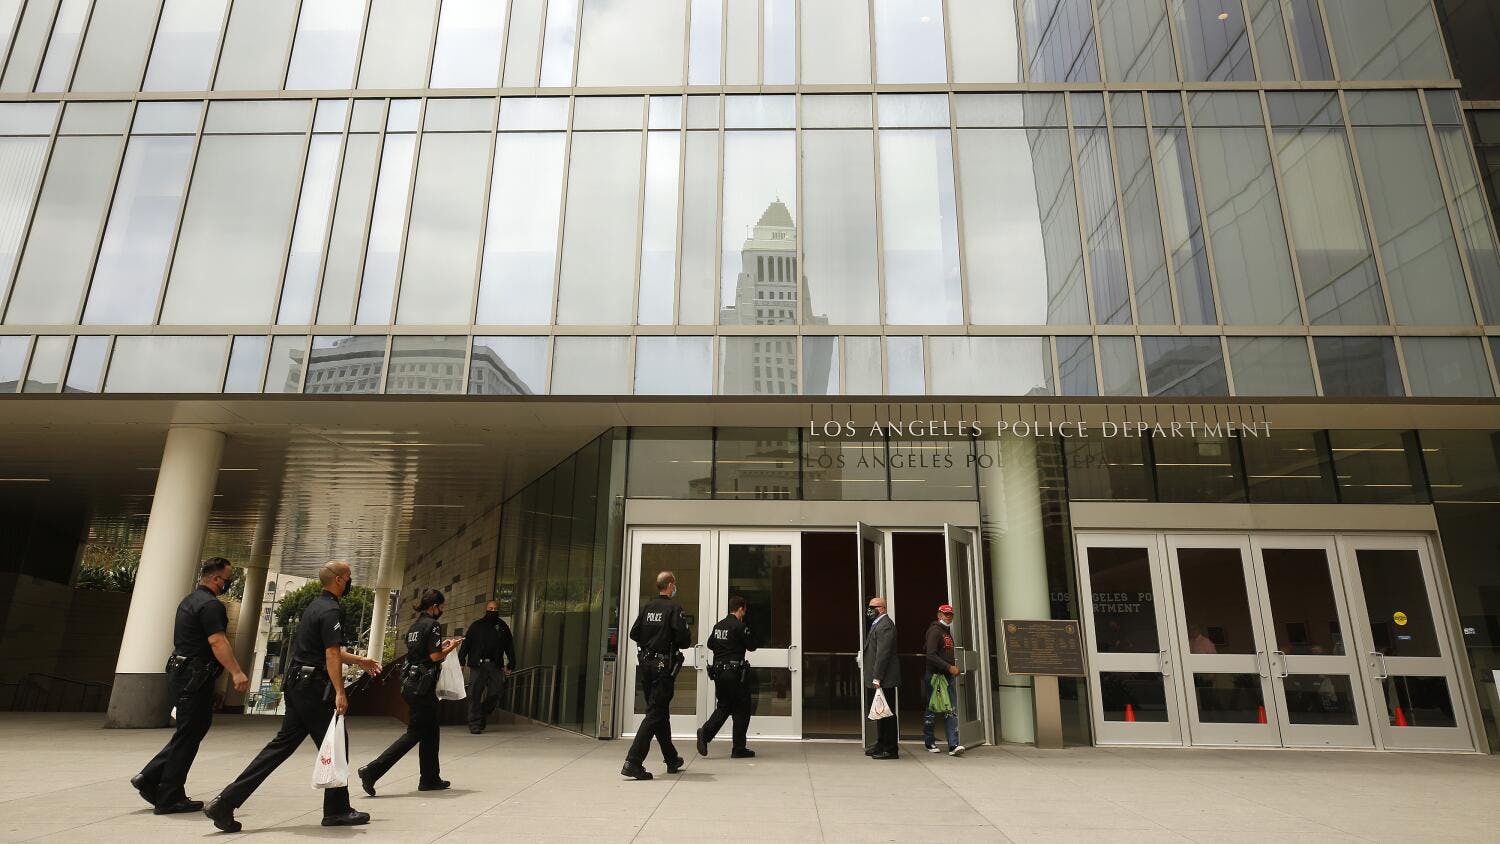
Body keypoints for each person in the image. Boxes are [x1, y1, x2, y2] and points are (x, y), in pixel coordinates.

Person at [204, 561, 382, 832]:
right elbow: (331, 654)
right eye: (347, 577)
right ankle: (336, 810)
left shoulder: (314, 606)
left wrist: (360, 660)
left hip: (297, 683)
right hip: (313, 688)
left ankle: (225, 802)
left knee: (281, 747)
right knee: (336, 744)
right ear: (337, 580)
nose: (349, 581)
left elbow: (326, 650)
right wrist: (339, 692)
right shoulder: (332, 609)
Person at [131, 557, 250, 815]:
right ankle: (168, 795)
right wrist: (236, 672)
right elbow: (217, 642)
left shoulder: (189, 600)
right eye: (228, 577)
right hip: (195, 676)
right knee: (190, 732)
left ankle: (150, 777)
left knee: (190, 730)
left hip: (181, 671)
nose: (229, 581)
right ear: (217, 579)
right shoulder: (210, 606)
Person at [359, 589, 460, 795]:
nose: (441, 611)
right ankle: (372, 770)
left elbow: (420, 653)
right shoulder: (432, 625)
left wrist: (441, 646)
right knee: (415, 733)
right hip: (423, 688)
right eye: (441, 607)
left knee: (431, 732)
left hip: (411, 685)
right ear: (434, 606)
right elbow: (433, 656)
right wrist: (451, 647)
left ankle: (430, 778)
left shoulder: (415, 626)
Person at [621, 570, 690, 780]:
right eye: (674, 584)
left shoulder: (647, 607)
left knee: (660, 713)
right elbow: (684, 639)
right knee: (654, 714)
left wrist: (649, 643)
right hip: (662, 667)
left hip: (647, 665)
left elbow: (634, 633)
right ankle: (633, 761)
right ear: (670, 585)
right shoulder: (674, 608)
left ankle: (671, 759)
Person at [696, 595, 756, 759]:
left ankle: (706, 733)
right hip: (735, 674)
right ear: (740, 609)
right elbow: (752, 646)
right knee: (742, 709)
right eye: (744, 610)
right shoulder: (739, 626)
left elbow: (710, 644)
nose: (744, 612)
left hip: (719, 673)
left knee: (725, 706)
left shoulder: (718, 626)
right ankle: (738, 748)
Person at [459, 599, 515, 734]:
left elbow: (509, 646)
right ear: (486, 609)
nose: (492, 611)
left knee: (496, 692)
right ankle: (474, 724)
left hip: (495, 665)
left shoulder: (502, 627)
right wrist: (461, 661)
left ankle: (482, 714)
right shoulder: (476, 626)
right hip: (478, 666)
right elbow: (466, 645)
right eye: (490, 609)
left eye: (495, 609)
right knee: (474, 694)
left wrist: (511, 663)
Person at [922, 604, 965, 757]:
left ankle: (953, 745)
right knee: (932, 708)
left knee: (950, 710)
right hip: (935, 676)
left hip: (946, 676)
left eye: (951, 614)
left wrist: (950, 669)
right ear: (939, 614)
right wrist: (949, 667)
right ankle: (929, 741)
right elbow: (931, 655)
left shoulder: (946, 632)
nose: (948, 617)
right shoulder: (935, 631)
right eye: (946, 614)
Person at [862, 596, 901, 760]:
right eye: (869, 606)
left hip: (884, 679)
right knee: (880, 711)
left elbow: (883, 654)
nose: (870, 609)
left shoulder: (885, 625)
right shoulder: (877, 624)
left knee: (887, 713)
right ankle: (881, 743)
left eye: (874, 606)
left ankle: (890, 748)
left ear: (883, 608)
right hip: (879, 678)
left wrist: (877, 677)